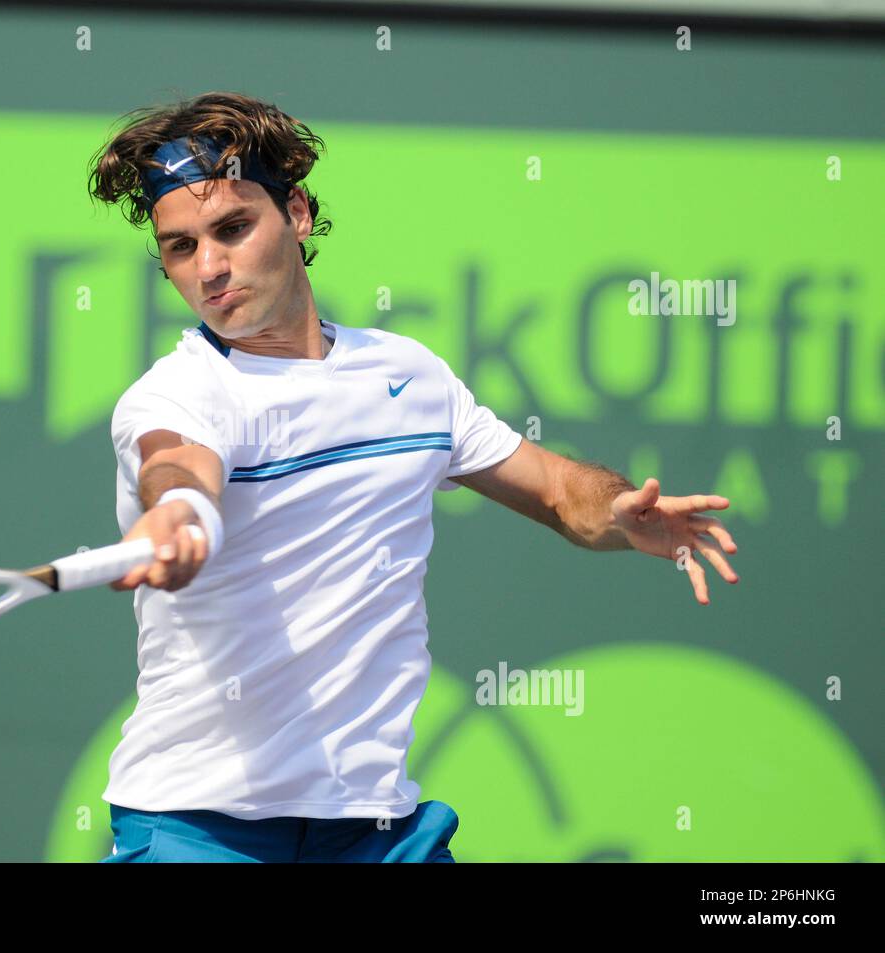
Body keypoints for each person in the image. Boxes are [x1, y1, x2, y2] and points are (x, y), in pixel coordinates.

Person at [85, 92, 740, 863]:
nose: (211, 268)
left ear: (295, 212)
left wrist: (620, 511)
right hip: (199, 825)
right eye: (181, 247)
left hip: (375, 824)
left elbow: (562, 493)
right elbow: (177, 464)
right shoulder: (177, 394)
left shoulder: (409, 376)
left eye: (232, 228)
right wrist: (179, 514)